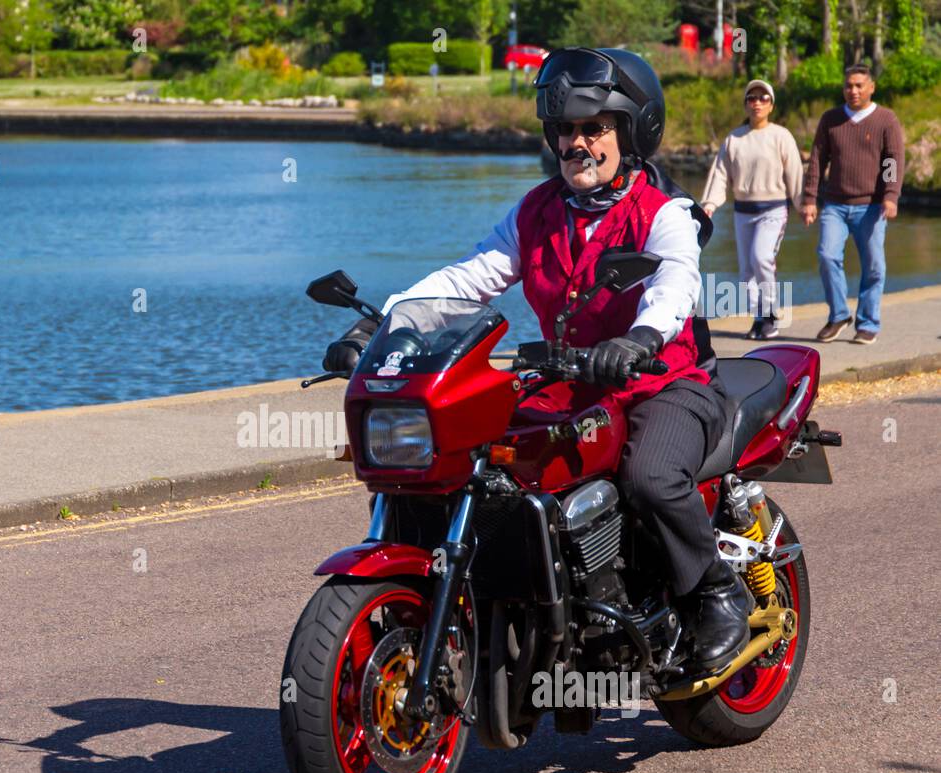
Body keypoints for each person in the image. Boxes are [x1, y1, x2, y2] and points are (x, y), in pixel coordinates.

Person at [322, 47, 754, 673]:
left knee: (649, 479)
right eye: (564, 131)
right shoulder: (535, 212)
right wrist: (385, 321)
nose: (575, 144)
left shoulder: (666, 214)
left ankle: (716, 591)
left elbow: (673, 287)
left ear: (631, 131)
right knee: (478, 461)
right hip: (568, 385)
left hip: (664, 383)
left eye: (592, 129)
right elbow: (468, 279)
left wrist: (640, 340)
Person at [803, 64, 905, 346]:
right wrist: (810, 198)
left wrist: (890, 194)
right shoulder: (831, 119)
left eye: (860, 85)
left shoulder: (885, 119)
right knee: (826, 254)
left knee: (874, 267)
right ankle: (838, 314)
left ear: (871, 87)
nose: (854, 90)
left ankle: (868, 323)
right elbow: (817, 160)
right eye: (849, 85)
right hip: (835, 204)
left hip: (872, 206)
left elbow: (891, 161)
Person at [701, 79, 804, 340]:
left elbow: (795, 173)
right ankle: (758, 318)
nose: (757, 103)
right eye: (751, 98)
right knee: (747, 270)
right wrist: (709, 204)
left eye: (763, 98)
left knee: (761, 258)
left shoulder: (780, 136)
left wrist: (803, 205)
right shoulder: (734, 139)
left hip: (773, 209)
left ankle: (770, 314)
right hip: (743, 211)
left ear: (771, 105)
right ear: (745, 104)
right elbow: (720, 174)